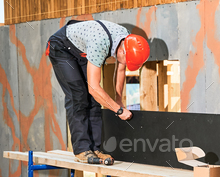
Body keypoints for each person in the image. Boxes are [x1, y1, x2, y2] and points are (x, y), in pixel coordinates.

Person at [47, 18, 150, 164]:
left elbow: (120, 69)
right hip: (62, 48)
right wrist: (118, 111)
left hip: (81, 48)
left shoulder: (127, 40)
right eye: (126, 60)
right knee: (78, 94)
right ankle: (82, 149)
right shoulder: (100, 44)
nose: (125, 63)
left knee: (95, 100)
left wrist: (118, 100)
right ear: (121, 50)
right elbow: (94, 88)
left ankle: (94, 148)